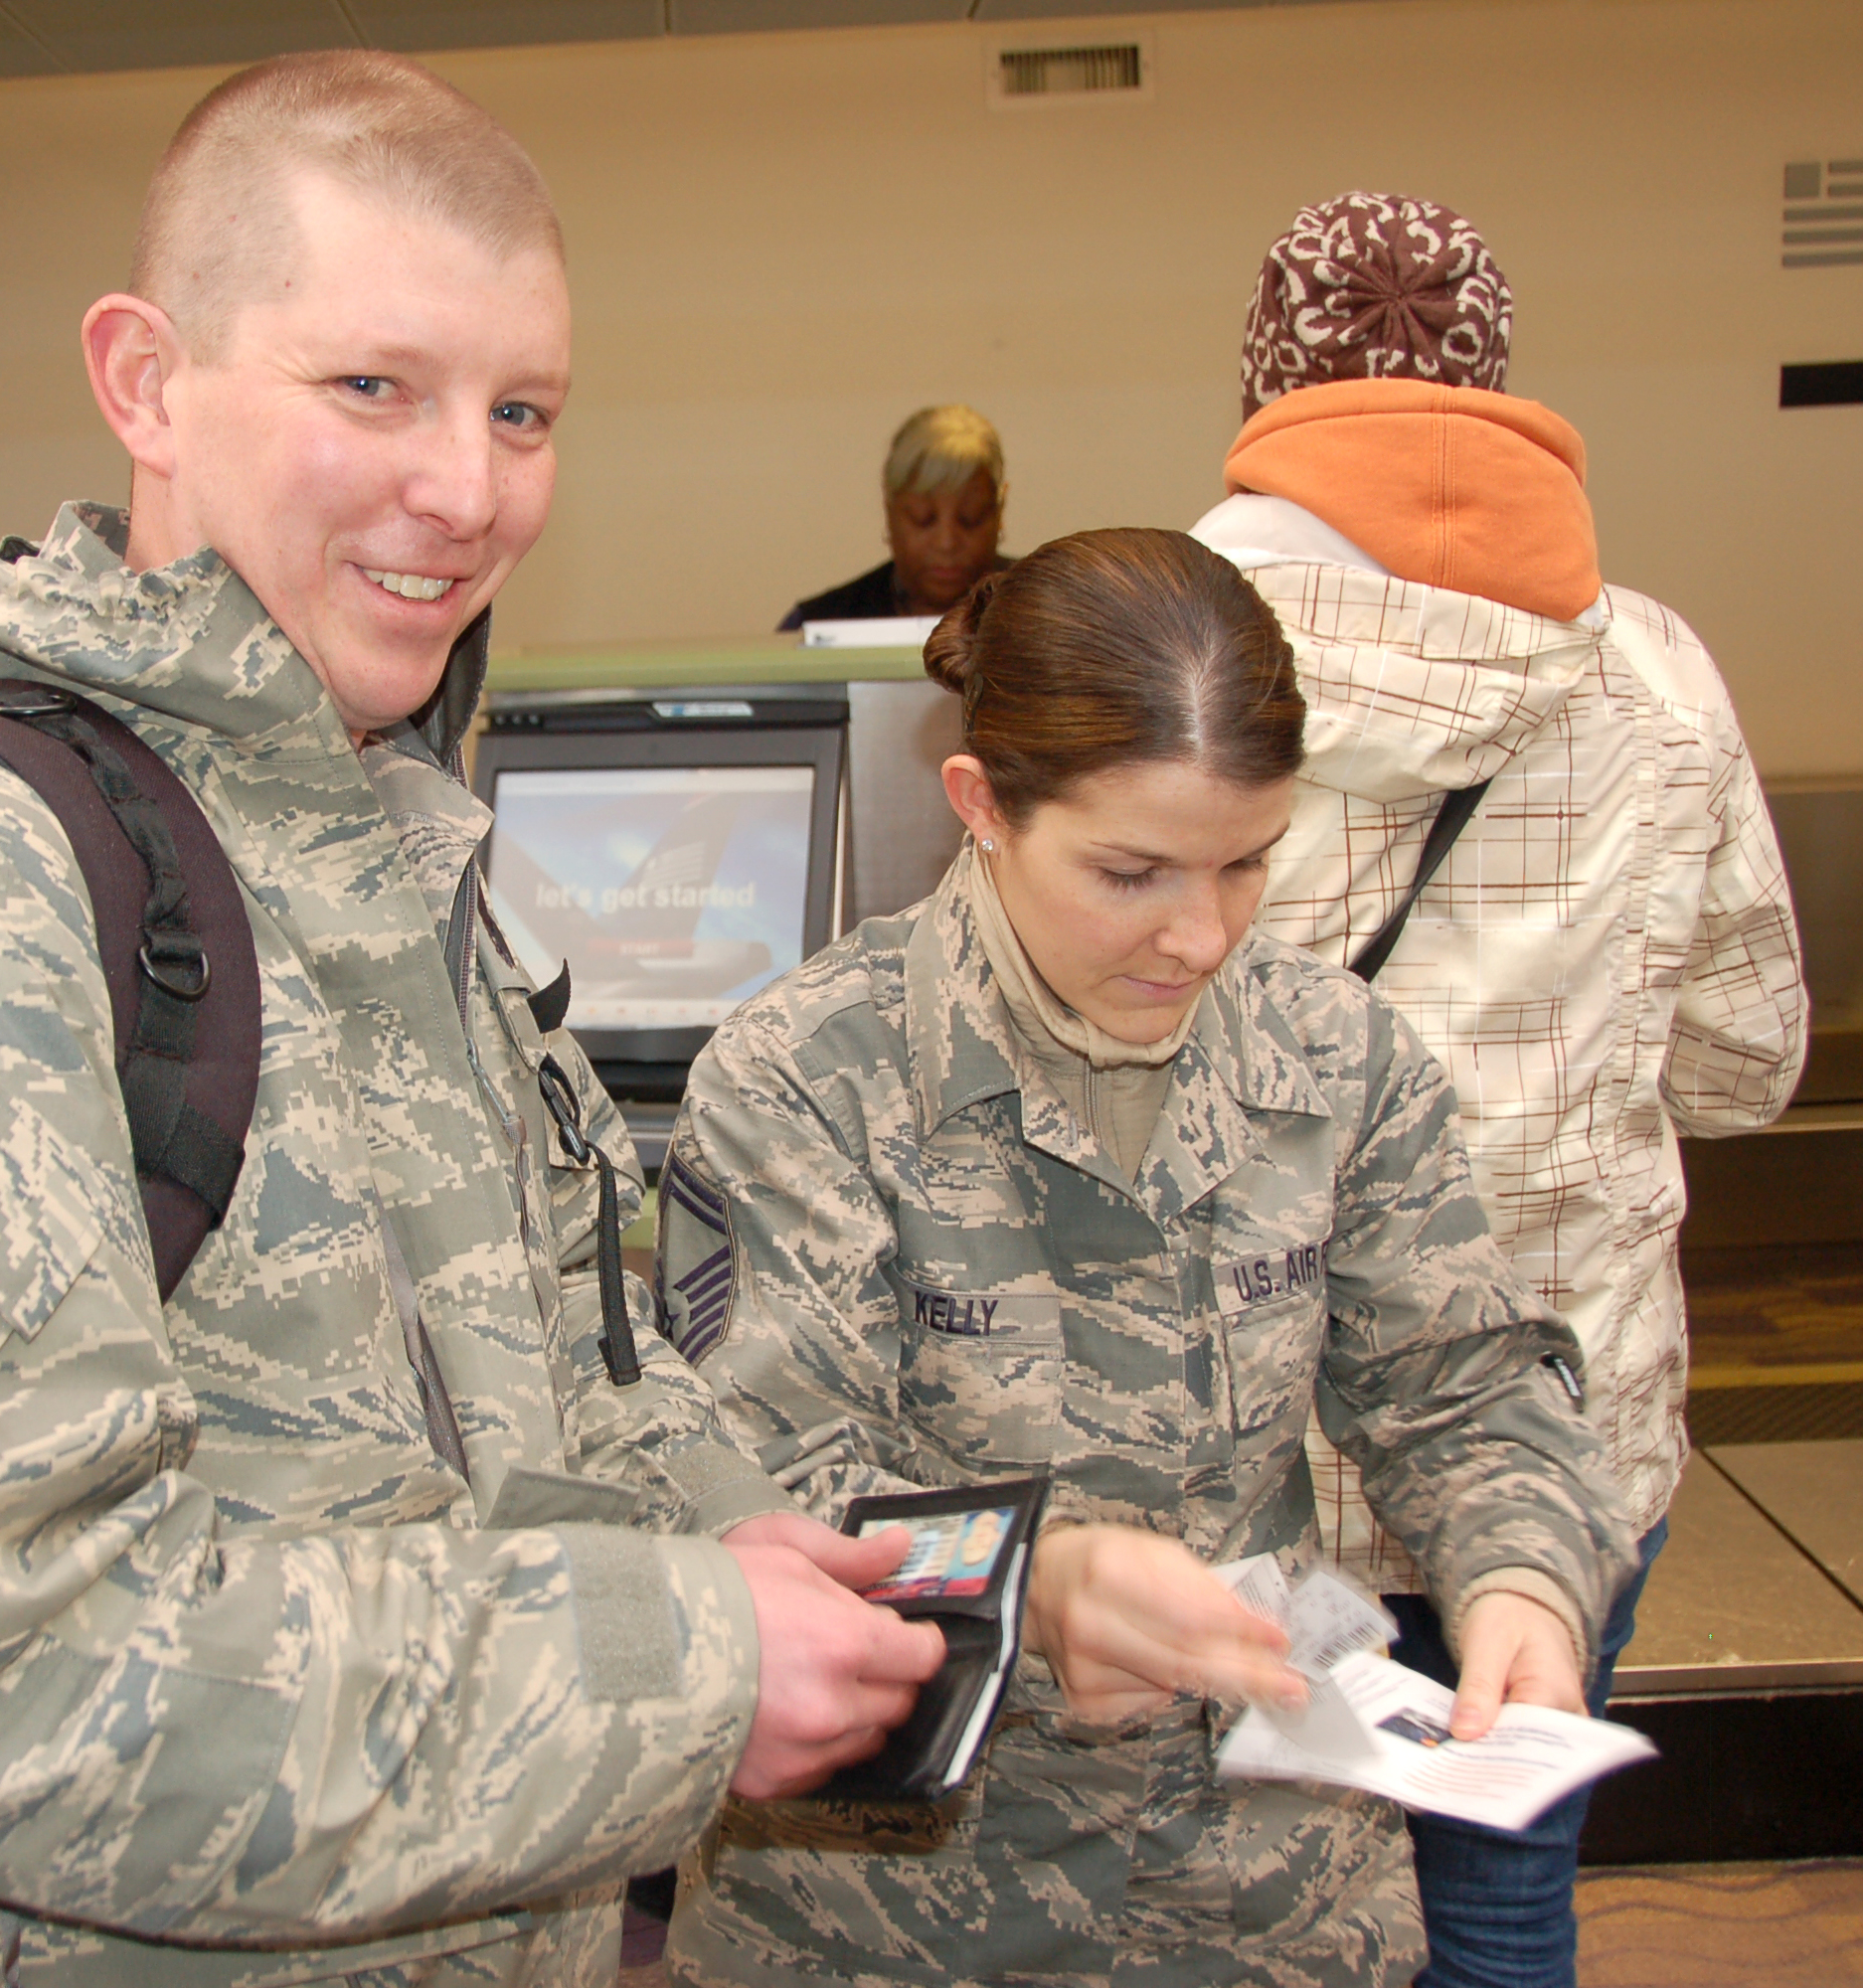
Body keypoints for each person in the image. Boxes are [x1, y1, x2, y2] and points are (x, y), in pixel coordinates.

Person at [0, 52, 944, 1988]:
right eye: (372, 387)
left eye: (522, 408)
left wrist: (752, 1549)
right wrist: (690, 1659)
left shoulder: (389, 875)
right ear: (143, 379)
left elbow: (547, 1408)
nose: (466, 490)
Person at [656, 527, 1639, 1988]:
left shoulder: (1332, 1059)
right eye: (1129, 873)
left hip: (1264, 1903)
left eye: (1248, 861)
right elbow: (742, 1485)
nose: (1198, 934)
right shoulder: (809, 1080)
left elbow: (1462, 1387)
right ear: (981, 807)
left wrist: (1516, 1581)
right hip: (891, 1913)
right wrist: (1027, 1583)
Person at [1200, 190, 1808, 1988]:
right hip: (1562, 1435)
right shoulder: (1656, 673)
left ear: (1266, 376)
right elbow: (1753, 1057)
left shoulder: (1175, 644)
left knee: (1242, 1906)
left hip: (1262, 1450)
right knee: (1497, 1900)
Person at [778, 404, 1009, 629]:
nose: (946, 543)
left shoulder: (1041, 610)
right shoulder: (818, 624)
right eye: (922, 519)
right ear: (889, 511)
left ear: (999, 512)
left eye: (970, 518)